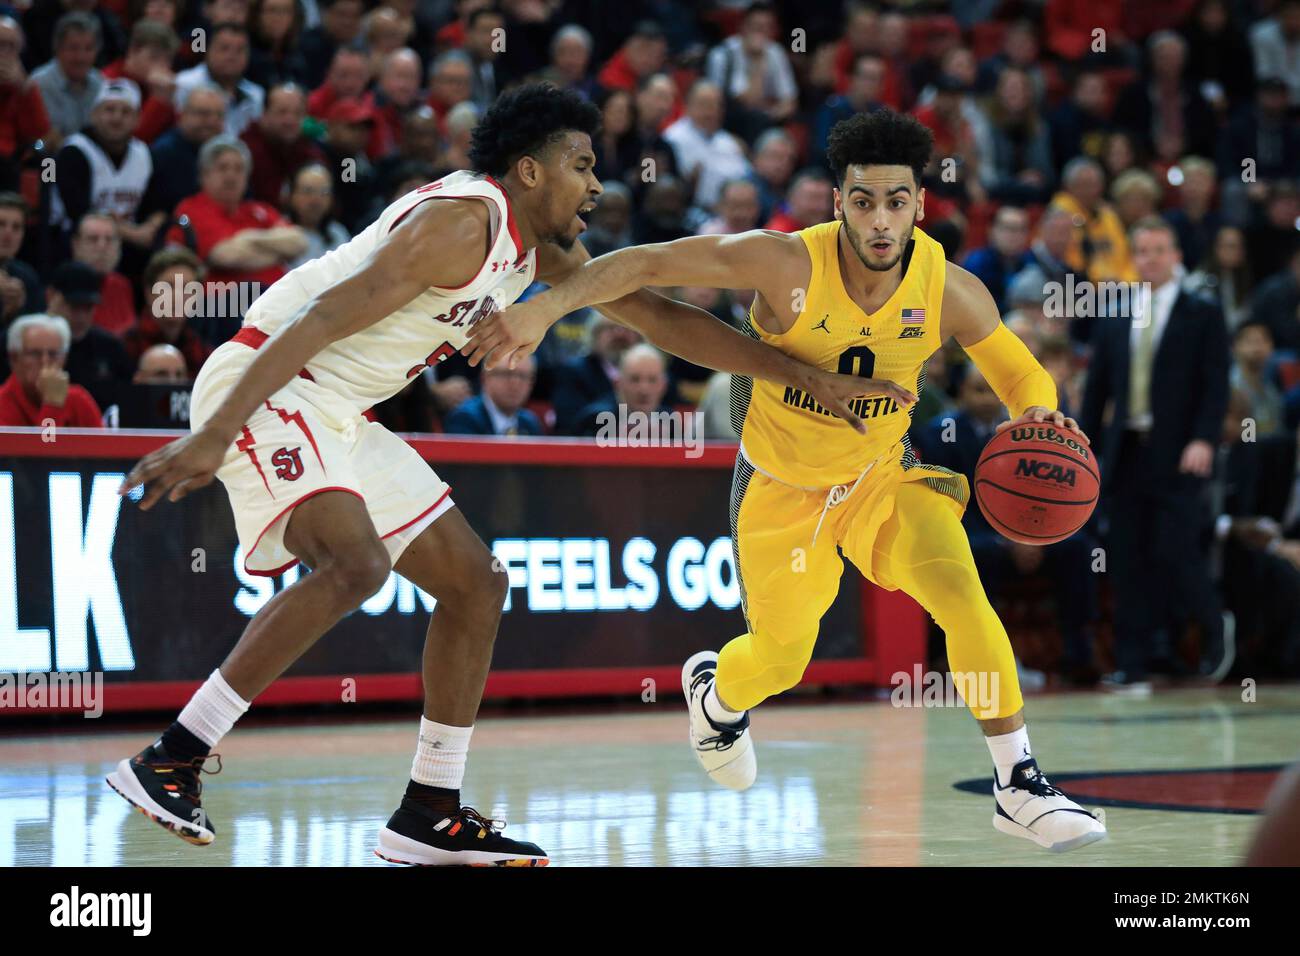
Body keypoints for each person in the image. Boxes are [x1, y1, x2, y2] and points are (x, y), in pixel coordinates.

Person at [110, 83, 882, 866]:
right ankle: (172, 757)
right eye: (582, 165)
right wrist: (211, 435)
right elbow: (320, 319)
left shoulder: (540, 252)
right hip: (276, 380)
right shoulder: (460, 222)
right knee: (356, 565)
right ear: (530, 171)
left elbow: (663, 319)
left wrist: (800, 375)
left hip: (340, 409)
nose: (597, 186)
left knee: (477, 584)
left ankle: (429, 809)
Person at [467, 109, 1108, 853]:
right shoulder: (783, 262)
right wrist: (544, 308)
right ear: (838, 202)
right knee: (780, 661)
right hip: (780, 489)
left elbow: (1020, 373)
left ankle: (1018, 783)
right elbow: (641, 266)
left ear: (920, 206)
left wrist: (1040, 414)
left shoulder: (949, 287)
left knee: (963, 597)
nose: (879, 219)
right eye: (862, 200)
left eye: (896, 201)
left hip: (881, 479)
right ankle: (714, 696)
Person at [1079, 217, 1230, 689]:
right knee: (1126, 558)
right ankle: (1133, 660)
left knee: (1176, 550)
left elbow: (1215, 384)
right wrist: (1082, 445)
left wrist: (1204, 438)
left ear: (1177, 256)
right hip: (1126, 452)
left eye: (1159, 250)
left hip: (1180, 452)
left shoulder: (1202, 312)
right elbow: (1097, 389)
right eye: (1142, 251)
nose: (1150, 259)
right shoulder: (1116, 310)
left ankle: (1215, 628)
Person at [0, 313, 102, 427]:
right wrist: (52, 405)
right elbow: (46, 443)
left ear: (64, 359)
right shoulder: (2, 404)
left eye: (53, 354)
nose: (45, 361)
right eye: (35, 353)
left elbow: (106, 445)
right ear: (14, 358)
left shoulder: (79, 400)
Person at [443, 354, 541, 437]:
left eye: (523, 376)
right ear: (484, 378)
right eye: (506, 374)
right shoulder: (465, 418)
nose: (515, 384)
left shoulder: (530, 422)